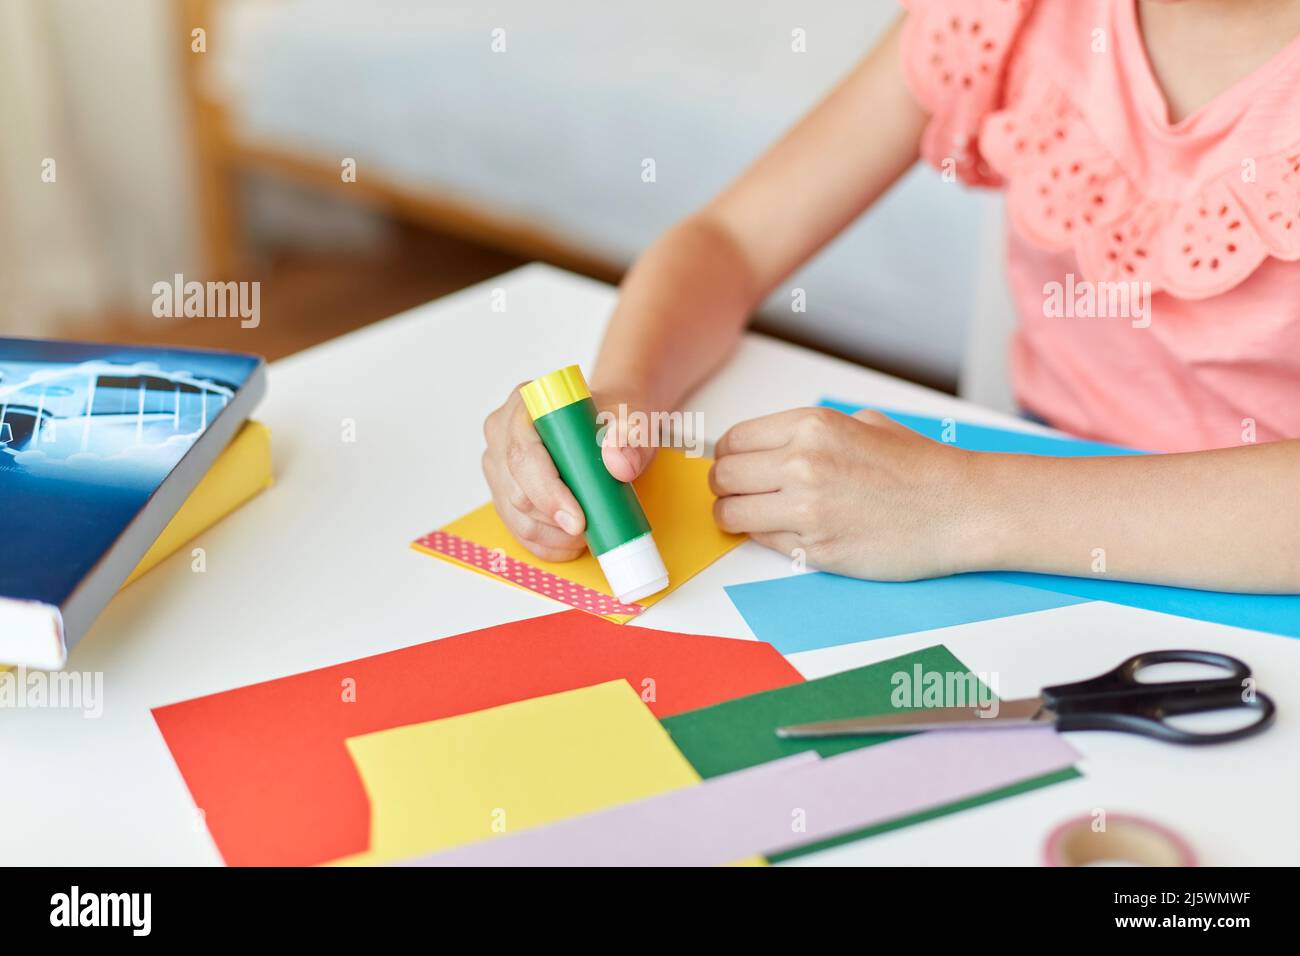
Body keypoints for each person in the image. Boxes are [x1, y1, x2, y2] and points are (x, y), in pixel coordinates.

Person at [482, 0, 1300, 593]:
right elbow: (729, 244)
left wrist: (964, 505)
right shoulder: (1016, 17)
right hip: (1035, 508)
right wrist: (626, 396)